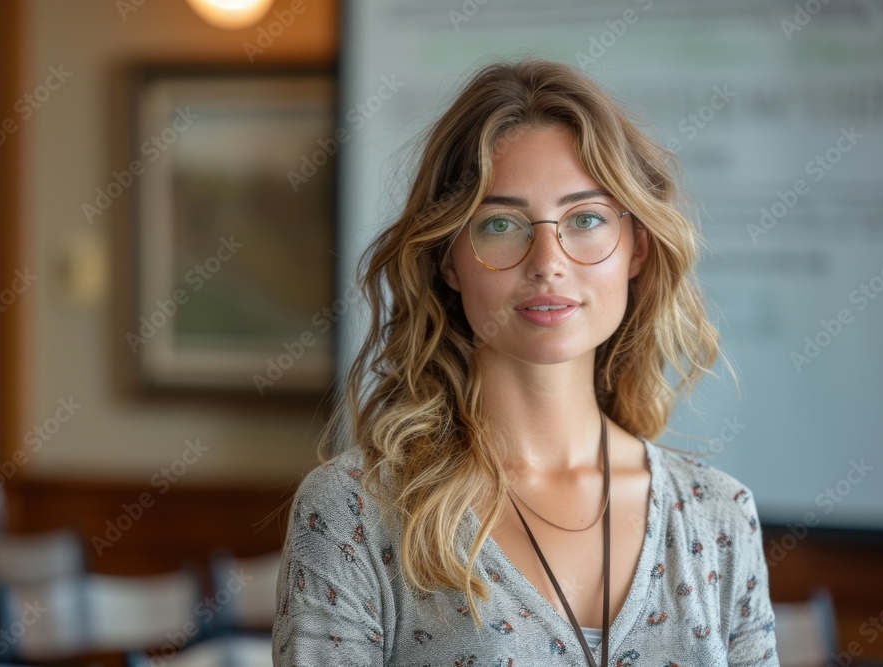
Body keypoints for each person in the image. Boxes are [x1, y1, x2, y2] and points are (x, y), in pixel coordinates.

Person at [272, 58, 779, 666]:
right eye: (501, 224)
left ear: (636, 249)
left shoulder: (721, 517)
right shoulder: (352, 513)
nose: (548, 261)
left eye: (585, 219)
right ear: (447, 261)